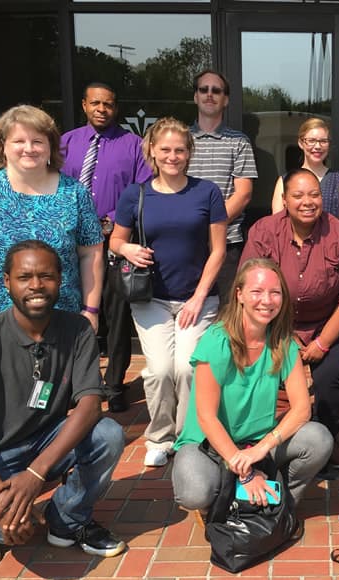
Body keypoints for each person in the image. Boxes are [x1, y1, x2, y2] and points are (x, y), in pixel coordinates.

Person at [0, 240, 125, 567]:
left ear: (60, 279)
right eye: (24, 277)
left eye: (46, 276)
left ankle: (67, 520)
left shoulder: (77, 330)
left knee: (108, 434)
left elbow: (89, 405)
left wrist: (35, 474)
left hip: (42, 442)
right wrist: (0, 497)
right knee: (7, 529)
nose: (36, 285)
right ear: (7, 282)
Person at [171, 258, 332, 516]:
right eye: (256, 291)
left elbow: (302, 409)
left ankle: (279, 502)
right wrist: (244, 472)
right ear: (240, 295)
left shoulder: (283, 342)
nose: (266, 300)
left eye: (275, 292)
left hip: (257, 443)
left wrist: (261, 449)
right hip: (208, 444)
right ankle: (235, 496)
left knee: (318, 439)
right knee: (195, 491)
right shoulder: (217, 340)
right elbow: (206, 417)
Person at [110, 117, 227, 467]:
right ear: (152, 151)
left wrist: (198, 297)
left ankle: (189, 436)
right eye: (165, 150)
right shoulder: (135, 194)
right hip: (152, 298)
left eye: (179, 150)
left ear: (189, 152)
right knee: (160, 371)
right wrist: (127, 249)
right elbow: (116, 240)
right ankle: (161, 437)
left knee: (188, 369)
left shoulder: (207, 192)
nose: (172, 156)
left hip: (198, 298)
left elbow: (218, 250)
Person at [0, 105, 103, 339]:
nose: (29, 148)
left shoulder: (74, 193)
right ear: (2, 145)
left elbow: (91, 254)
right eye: (19, 141)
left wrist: (91, 310)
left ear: (50, 146)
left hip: (60, 325)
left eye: (38, 141)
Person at [241, 168, 339, 469]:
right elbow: (250, 285)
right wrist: (282, 335)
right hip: (274, 322)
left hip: (327, 322)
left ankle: (327, 438)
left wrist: (322, 343)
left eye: (314, 195)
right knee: (264, 373)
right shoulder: (265, 231)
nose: (307, 202)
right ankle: (266, 436)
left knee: (331, 376)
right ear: (284, 200)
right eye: (298, 195)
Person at [61, 82, 153, 413]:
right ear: (84, 105)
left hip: (114, 240)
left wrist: (111, 220)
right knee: (74, 312)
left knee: (116, 315)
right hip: (71, 240)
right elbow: (54, 186)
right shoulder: (66, 143)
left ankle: (114, 385)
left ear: (116, 108)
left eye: (108, 104)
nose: (102, 109)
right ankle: (77, 383)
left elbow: (143, 189)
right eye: (96, 103)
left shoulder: (134, 145)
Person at [187, 69, 257, 306]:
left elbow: (243, 194)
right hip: (186, 243)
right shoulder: (180, 140)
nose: (209, 95)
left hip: (228, 244)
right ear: (195, 96)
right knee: (187, 312)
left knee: (226, 314)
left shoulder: (239, 141)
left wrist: (210, 226)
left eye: (216, 91)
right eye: (203, 89)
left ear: (225, 100)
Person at [271, 117, 339, 227]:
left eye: (323, 141)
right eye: (311, 141)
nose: (318, 146)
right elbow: (277, 224)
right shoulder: (284, 180)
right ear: (301, 143)